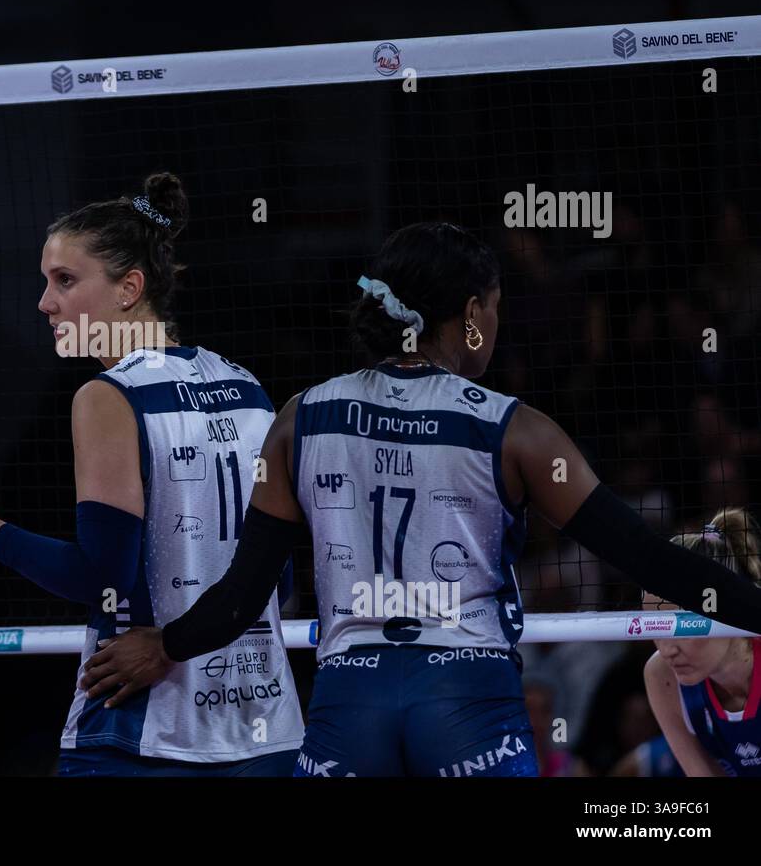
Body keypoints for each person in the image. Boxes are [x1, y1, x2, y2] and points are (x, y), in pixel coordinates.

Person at [78, 220, 761, 777]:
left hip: (350, 702)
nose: (494, 327)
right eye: (493, 310)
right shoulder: (515, 428)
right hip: (466, 697)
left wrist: (165, 645)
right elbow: (649, 558)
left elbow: (242, 594)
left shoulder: (300, 417)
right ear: (470, 314)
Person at [0, 173, 303, 776]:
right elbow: (279, 579)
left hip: (143, 731)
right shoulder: (247, 387)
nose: (44, 303)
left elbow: (98, 577)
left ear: (129, 288)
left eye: (65, 281)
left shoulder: (108, 396)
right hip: (264, 727)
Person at [643, 508, 761, 776]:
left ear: (728, 611)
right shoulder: (661, 675)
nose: (667, 650)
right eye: (656, 628)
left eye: (681, 628)